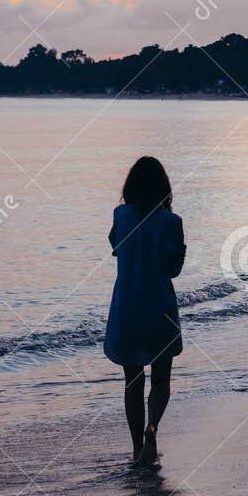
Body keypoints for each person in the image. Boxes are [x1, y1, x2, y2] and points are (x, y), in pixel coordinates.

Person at [105, 156, 186, 465]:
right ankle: (152, 430)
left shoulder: (121, 215)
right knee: (161, 378)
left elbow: (115, 247)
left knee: (132, 380)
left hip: (127, 304)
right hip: (159, 305)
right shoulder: (171, 222)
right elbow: (174, 269)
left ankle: (137, 449)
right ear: (164, 187)